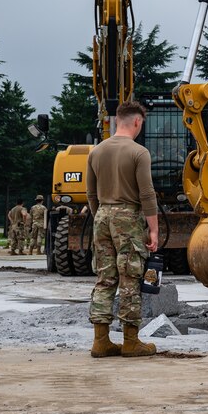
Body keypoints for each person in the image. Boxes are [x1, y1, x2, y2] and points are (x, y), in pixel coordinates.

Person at [87, 101, 159, 358]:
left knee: (105, 278)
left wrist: (101, 219)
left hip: (102, 215)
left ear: (117, 120)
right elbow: (147, 193)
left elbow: (90, 193)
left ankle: (100, 341)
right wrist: (153, 230)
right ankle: (130, 341)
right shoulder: (139, 152)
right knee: (130, 278)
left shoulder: (96, 152)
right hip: (128, 217)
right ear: (137, 122)